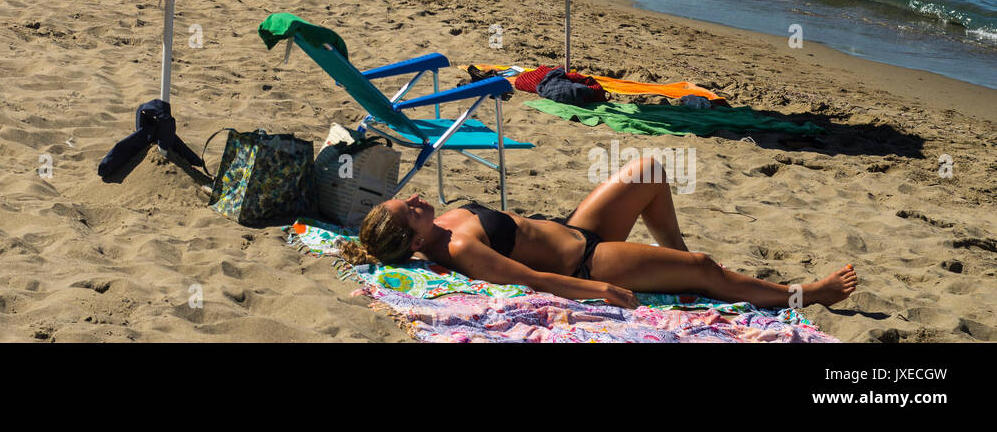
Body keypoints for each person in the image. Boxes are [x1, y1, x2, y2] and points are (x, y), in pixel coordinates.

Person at [341, 159, 858, 309]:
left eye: (405, 200)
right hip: (587, 263)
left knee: (650, 171)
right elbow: (533, 281)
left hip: (575, 229)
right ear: (415, 242)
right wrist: (600, 289)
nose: (413, 200)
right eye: (408, 210)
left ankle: (675, 265)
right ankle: (808, 294)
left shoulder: (441, 222)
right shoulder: (460, 248)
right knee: (704, 267)